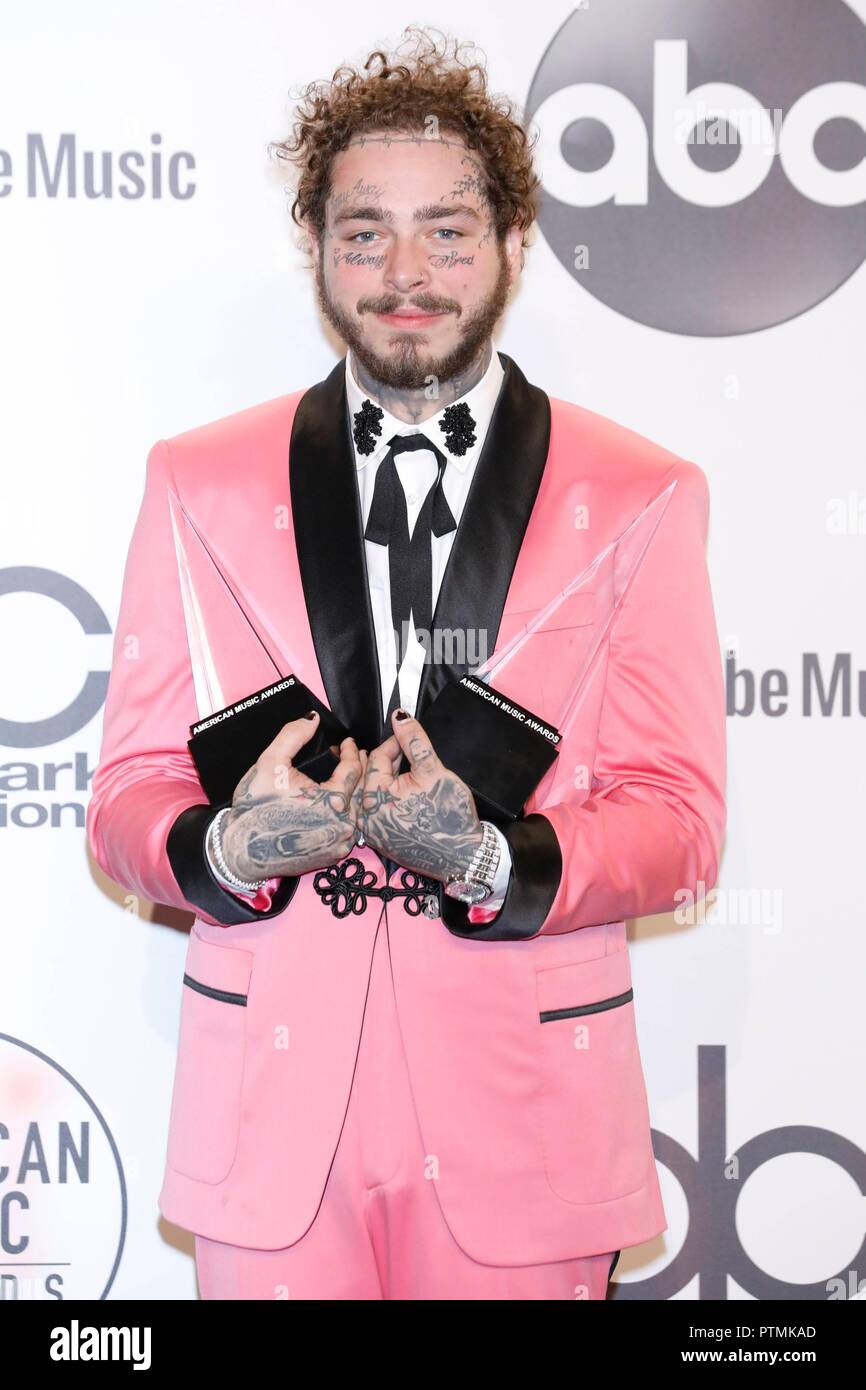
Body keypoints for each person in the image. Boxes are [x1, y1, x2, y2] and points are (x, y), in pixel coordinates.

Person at [86, 28, 726, 1301]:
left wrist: (490, 858)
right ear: (317, 249)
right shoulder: (196, 479)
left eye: (445, 230)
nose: (403, 271)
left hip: (524, 1112)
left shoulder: (639, 492)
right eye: (363, 230)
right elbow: (124, 799)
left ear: (508, 244)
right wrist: (225, 848)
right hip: (270, 1110)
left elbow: (682, 822)